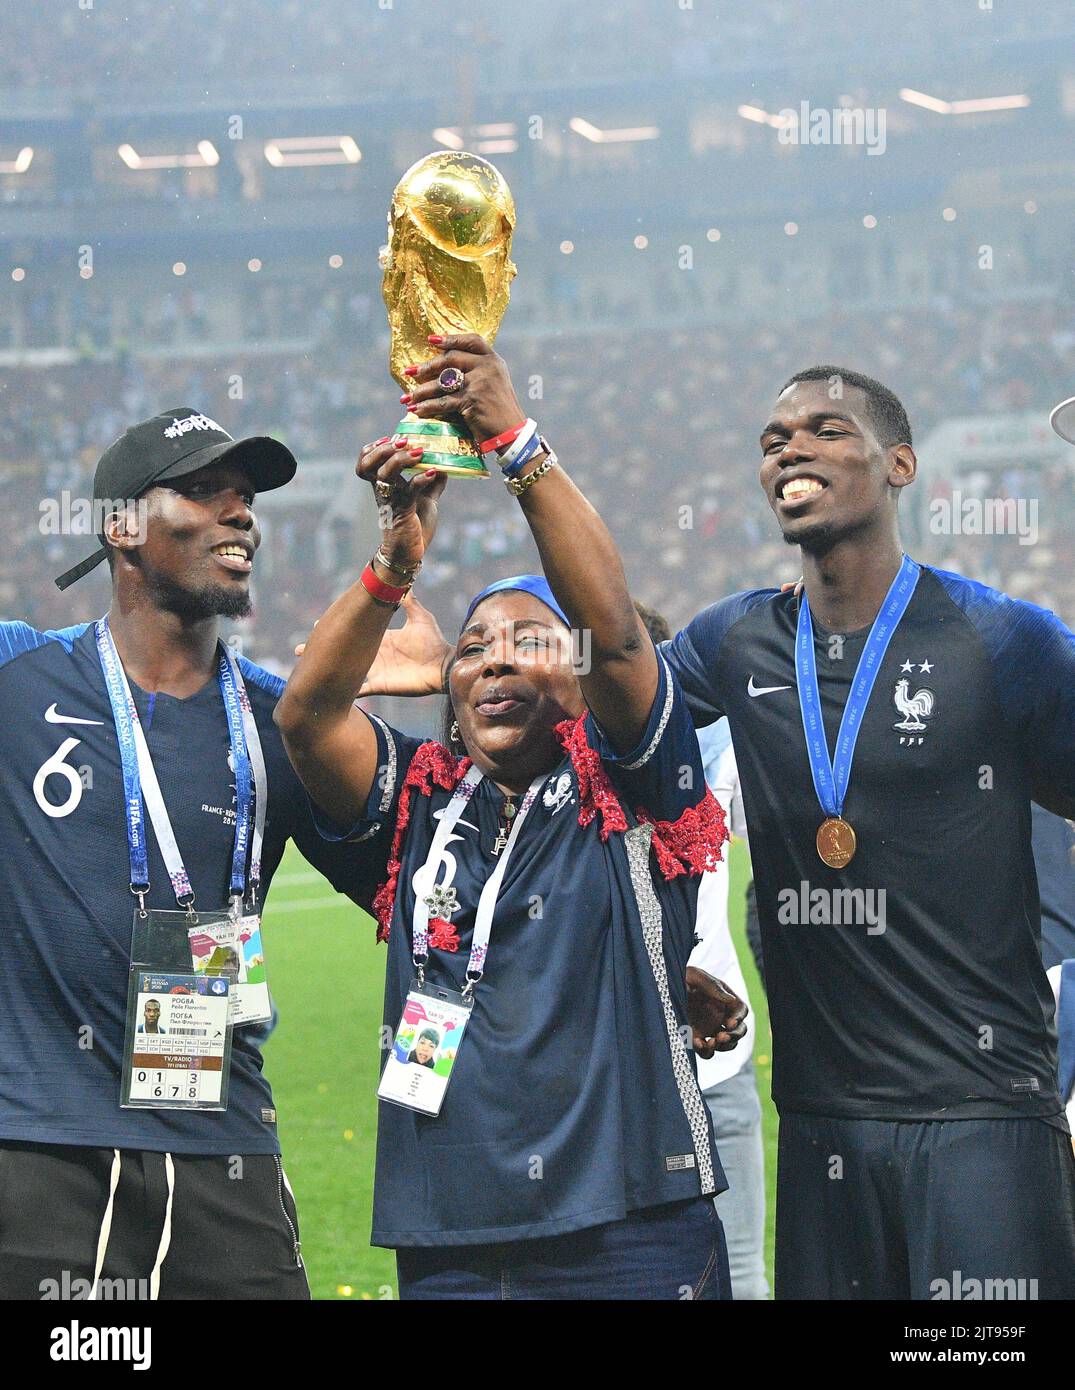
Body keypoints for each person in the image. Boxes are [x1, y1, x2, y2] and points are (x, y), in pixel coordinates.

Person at [365, 365, 1075, 1300]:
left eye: (827, 429)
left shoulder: (1003, 640)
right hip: (822, 1120)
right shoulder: (734, 642)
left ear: (899, 464)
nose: (790, 446)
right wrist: (469, 664)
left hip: (985, 1112)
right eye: (774, 437)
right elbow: (610, 674)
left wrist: (519, 445)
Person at [275, 334, 747, 1301]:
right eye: (475, 646)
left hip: (626, 1225)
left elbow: (615, 637)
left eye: (530, 641)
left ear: (580, 678)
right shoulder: (419, 802)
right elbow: (307, 714)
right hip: (448, 1236)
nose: (495, 659)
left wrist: (515, 446)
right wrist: (391, 564)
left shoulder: (635, 786)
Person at [0, 409, 387, 1300]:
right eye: (203, 491)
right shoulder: (22, 683)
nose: (238, 514)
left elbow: (424, 895)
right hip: (44, 1157)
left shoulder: (285, 722)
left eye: (244, 498)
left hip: (226, 1156)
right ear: (121, 527)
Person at [635, 604, 768, 1300]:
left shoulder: (712, 753)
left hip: (717, 1064)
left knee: (740, 1275)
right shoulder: (562, 785)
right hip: (618, 1088)